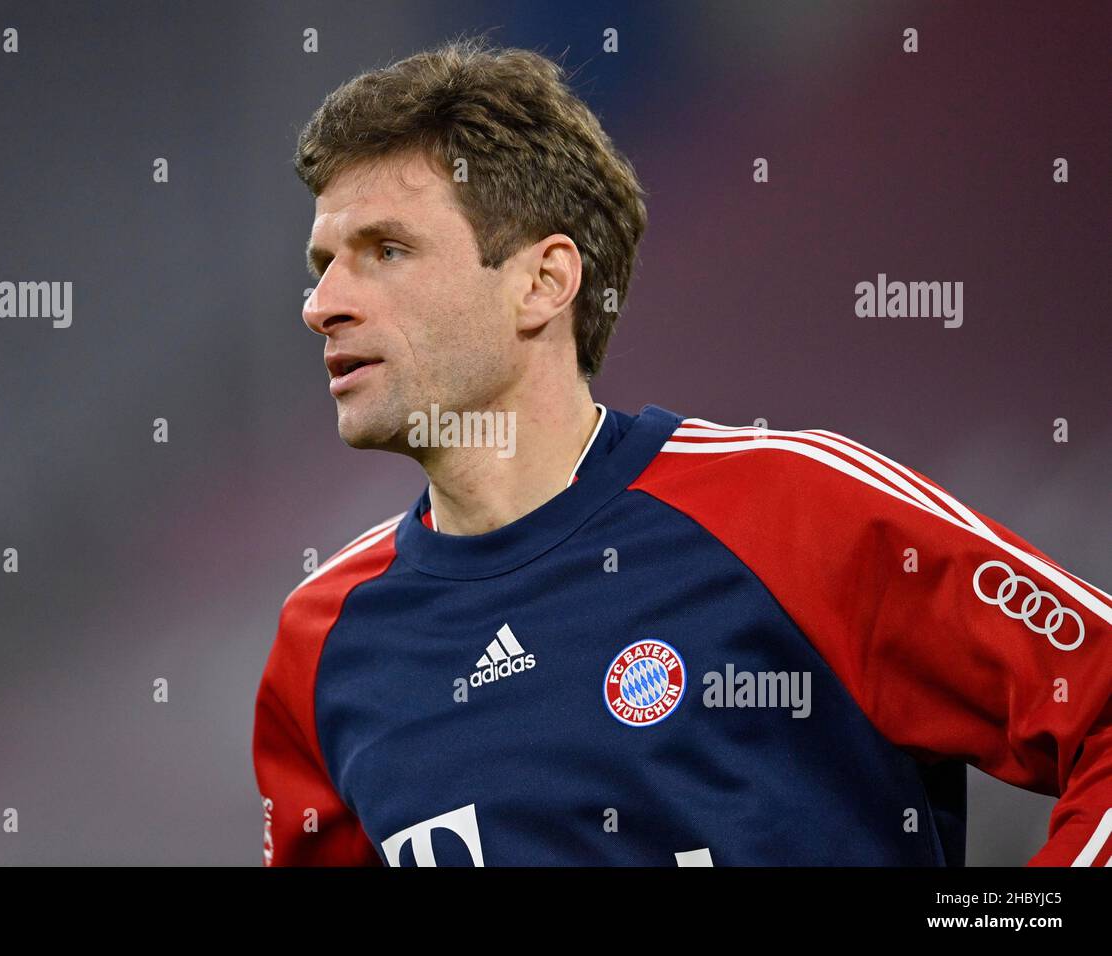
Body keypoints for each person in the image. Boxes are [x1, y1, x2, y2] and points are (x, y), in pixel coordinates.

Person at [252, 36, 1111, 866]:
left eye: (387, 251)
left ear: (543, 282)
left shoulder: (794, 512)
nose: (321, 304)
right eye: (323, 264)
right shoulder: (322, 646)